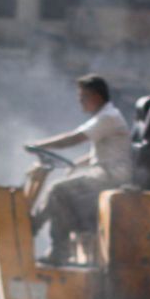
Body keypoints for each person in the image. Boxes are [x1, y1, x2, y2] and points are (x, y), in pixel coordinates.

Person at [25, 73, 131, 264]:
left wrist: (40, 145)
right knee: (63, 200)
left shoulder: (108, 117)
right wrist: (75, 165)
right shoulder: (106, 117)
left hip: (111, 176)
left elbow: (74, 138)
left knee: (58, 190)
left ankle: (31, 227)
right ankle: (59, 250)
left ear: (97, 97)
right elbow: (99, 153)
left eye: (83, 97)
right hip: (104, 172)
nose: (80, 102)